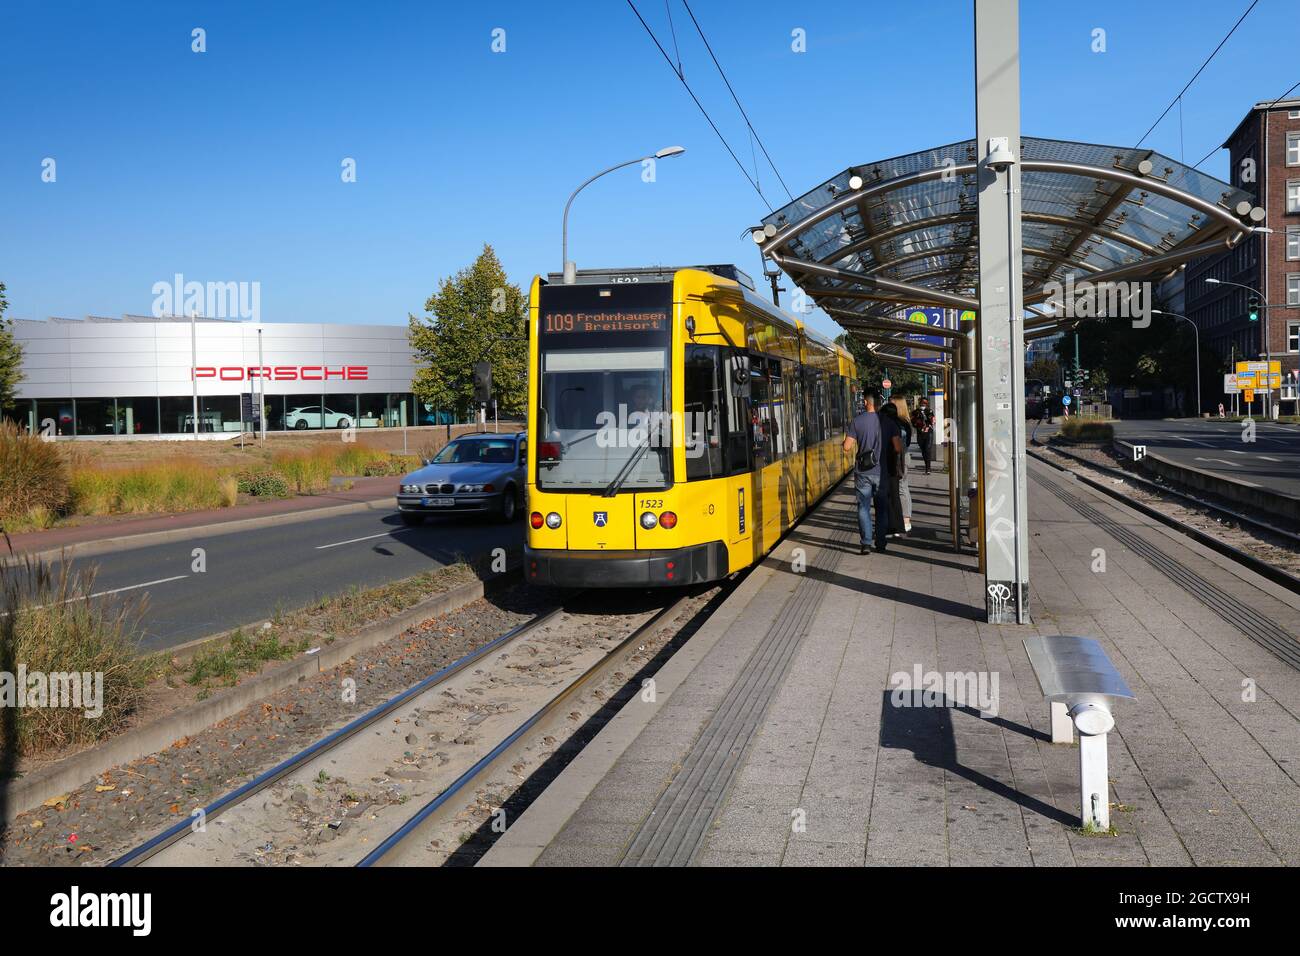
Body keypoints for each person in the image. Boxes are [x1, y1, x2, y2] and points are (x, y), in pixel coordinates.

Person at [843, 391, 903, 555]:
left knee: (863, 507)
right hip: (882, 472)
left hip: (863, 471)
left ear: (865, 402)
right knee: (881, 508)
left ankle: (866, 543)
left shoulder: (857, 421)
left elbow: (847, 447)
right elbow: (898, 448)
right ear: (878, 404)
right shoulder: (889, 423)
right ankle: (881, 543)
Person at [879, 401, 909, 536]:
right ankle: (898, 526)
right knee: (895, 495)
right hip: (898, 464)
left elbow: (896, 447)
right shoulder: (903, 425)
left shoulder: (890, 426)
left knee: (888, 496)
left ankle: (892, 526)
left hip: (890, 464)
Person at [890, 397, 914, 533]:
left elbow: (900, 443)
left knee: (902, 488)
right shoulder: (905, 422)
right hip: (904, 457)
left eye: (892, 404)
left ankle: (906, 519)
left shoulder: (900, 424)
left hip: (901, 458)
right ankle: (905, 518)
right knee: (902, 487)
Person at [911, 397, 936, 474]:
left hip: (929, 432)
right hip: (920, 432)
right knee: (923, 450)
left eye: (925, 403)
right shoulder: (915, 412)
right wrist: (917, 422)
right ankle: (927, 465)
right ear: (919, 403)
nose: (923, 404)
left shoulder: (930, 411)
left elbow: (933, 421)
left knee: (927, 449)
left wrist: (930, 419)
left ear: (927, 404)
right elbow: (913, 422)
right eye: (922, 403)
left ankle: (928, 468)